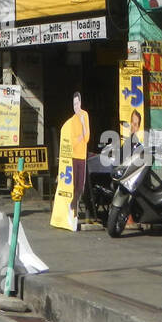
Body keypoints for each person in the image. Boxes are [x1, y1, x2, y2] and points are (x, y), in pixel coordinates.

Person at [69, 92, 91, 232]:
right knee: (73, 185)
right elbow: (71, 140)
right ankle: (74, 213)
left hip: (81, 156)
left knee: (80, 187)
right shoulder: (71, 120)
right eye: (74, 104)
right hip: (72, 156)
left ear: (80, 103)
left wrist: (83, 125)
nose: (75, 106)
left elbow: (87, 137)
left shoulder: (84, 115)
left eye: (77, 103)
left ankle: (74, 209)